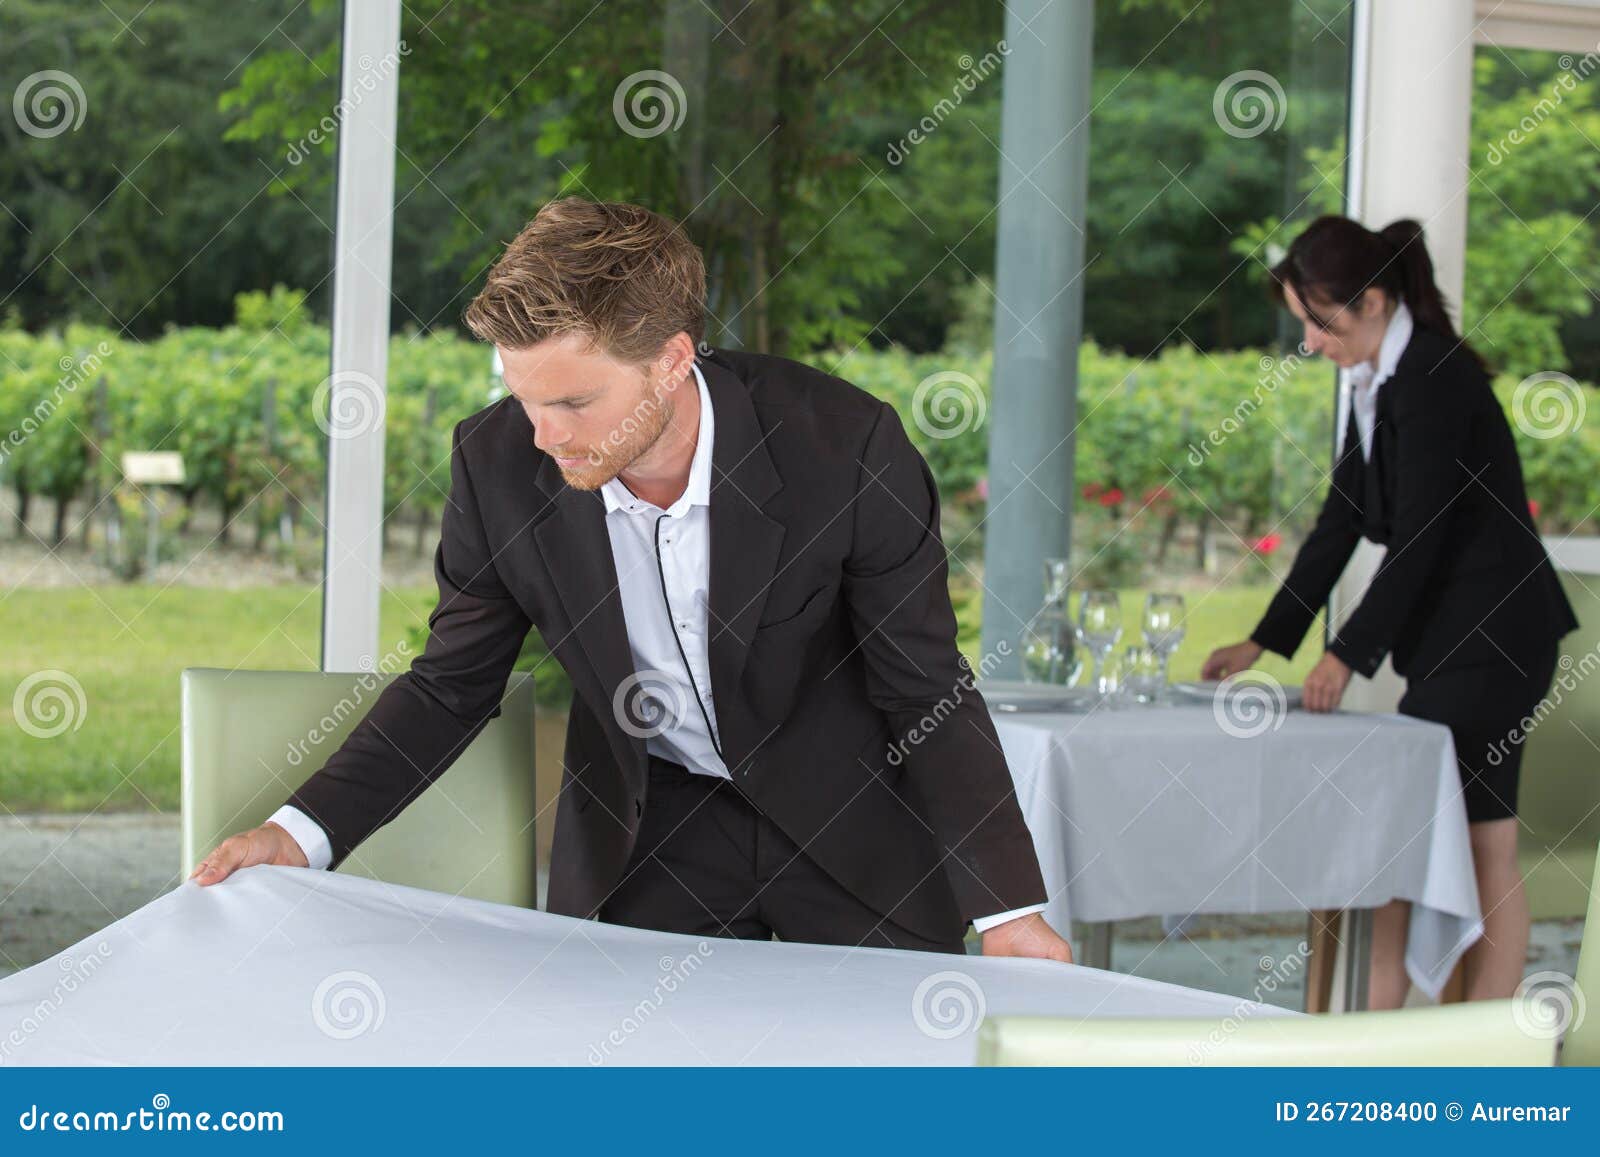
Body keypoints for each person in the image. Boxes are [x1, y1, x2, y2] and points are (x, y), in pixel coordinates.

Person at [191, 198, 1072, 964]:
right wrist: (298, 835)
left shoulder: (845, 448)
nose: (542, 435)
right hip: (652, 835)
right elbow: (450, 685)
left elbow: (924, 684)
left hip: (855, 824)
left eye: (573, 403)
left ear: (672, 360)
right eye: (523, 396)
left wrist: (1009, 907)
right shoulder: (494, 464)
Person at [1202, 214, 1578, 1007]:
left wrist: (1347, 653)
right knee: (1447, 848)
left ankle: (1477, 1047)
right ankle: (1426, 1036)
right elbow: (1343, 517)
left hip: (1497, 639)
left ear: (1373, 302)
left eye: (1319, 321)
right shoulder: (1375, 379)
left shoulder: (1436, 378)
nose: (1309, 341)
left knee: (1476, 851)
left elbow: (1422, 538)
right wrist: (1267, 640)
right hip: (1454, 643)